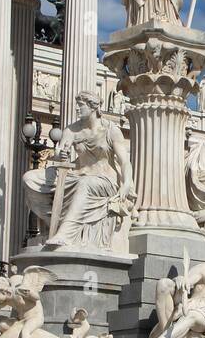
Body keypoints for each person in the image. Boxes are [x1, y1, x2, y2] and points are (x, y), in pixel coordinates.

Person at [22, 90, 135, 249]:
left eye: (80, 106)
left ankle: (65, 234)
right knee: (30, 178)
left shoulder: (111, 130)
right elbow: (60, 154)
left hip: (104, 180)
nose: (77, 109)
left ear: (93, 107)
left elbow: (125, 162)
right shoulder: (72, 130)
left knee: (85, 184)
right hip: (77, 174)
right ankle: (56, 221)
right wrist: (60, 155)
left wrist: (127, 183)